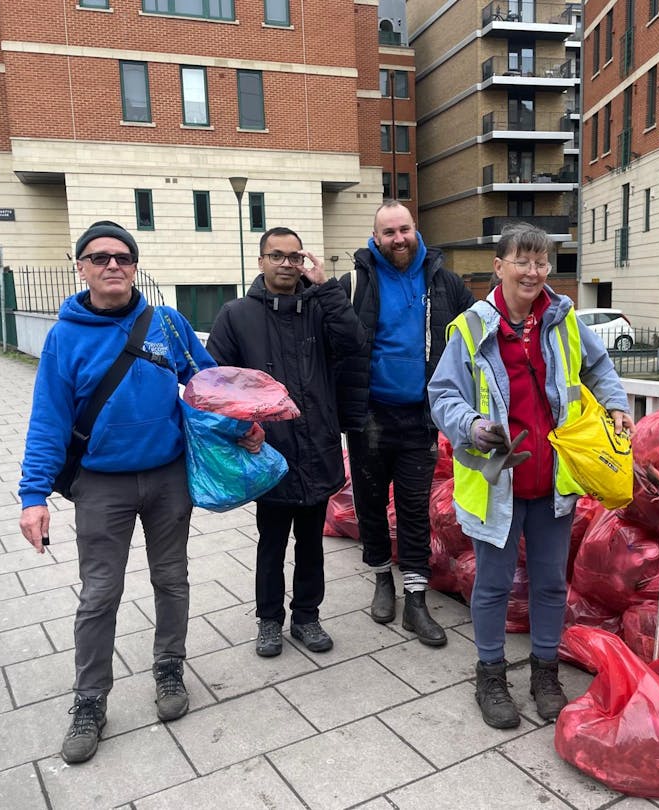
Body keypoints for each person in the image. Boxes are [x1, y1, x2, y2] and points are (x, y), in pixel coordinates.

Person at [17, 221, 258, 764]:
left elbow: (209, 385)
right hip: (102, 485)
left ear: (134, 266)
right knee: (100, 592)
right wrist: (33, 496)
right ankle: (89, 700)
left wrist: (244, 424)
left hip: (169, 477)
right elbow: (48, 420)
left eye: (123, 257)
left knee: (171, 578)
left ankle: (169, 668)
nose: (112, 266)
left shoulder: (167, 325)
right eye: (99, 257)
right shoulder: (64, 336)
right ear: (80, 266)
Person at [427, 222, 636, 729]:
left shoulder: (562, 320)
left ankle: (545, 672)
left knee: (548, 584)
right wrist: (473, 426)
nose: (534, 271)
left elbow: (599, 365)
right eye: (522, 260)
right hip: (498, 480)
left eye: (541, 262)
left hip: (553, 480)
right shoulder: (470, 328)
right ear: (498, 267)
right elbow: (442, 397)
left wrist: (615, 404)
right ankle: (490, 675)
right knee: (493, 586)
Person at [206, 226, 365, 658]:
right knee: (271, 542)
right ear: (261, 262)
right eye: (277, 256)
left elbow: (354, 343)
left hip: (317, 446)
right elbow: (217, 386)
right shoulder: (236, 314)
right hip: (269, 454)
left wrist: (327, 288)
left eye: (295, 257)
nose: (287, 264)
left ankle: (308, 617)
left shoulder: (320, 308)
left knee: (312, 542)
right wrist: (243, 434)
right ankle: (269, 621)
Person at [337, 200, 475, 647]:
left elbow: (482, 330)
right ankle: (382, 578)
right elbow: (327, 337)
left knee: (415, 509)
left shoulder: (445, 282)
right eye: (388, 232)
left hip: (421, 416)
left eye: (404, 229)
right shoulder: (355, 282)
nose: (398, 239)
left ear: (416, 230)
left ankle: (416, 601)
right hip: (369, 415)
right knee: (372, 505)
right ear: (375, 238)